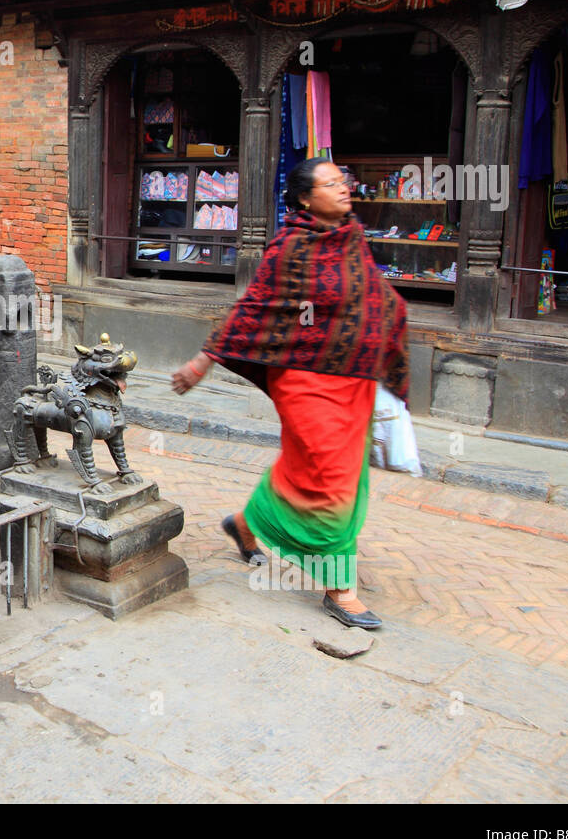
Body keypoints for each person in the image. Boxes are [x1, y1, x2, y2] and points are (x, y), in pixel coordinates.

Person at [171, 158, 409, 629]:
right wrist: (204, 360)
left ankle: (245, 524)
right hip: (304, 379)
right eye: (332, 184)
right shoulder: (289, 249)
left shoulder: (353, 236)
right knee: (328, 477)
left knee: (314, 470)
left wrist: (391, 323)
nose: (344, 190)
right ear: (305, 197)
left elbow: (371, 294)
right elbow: (255, 305)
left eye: (345, 182)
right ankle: (340, 589)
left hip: (354, 379)